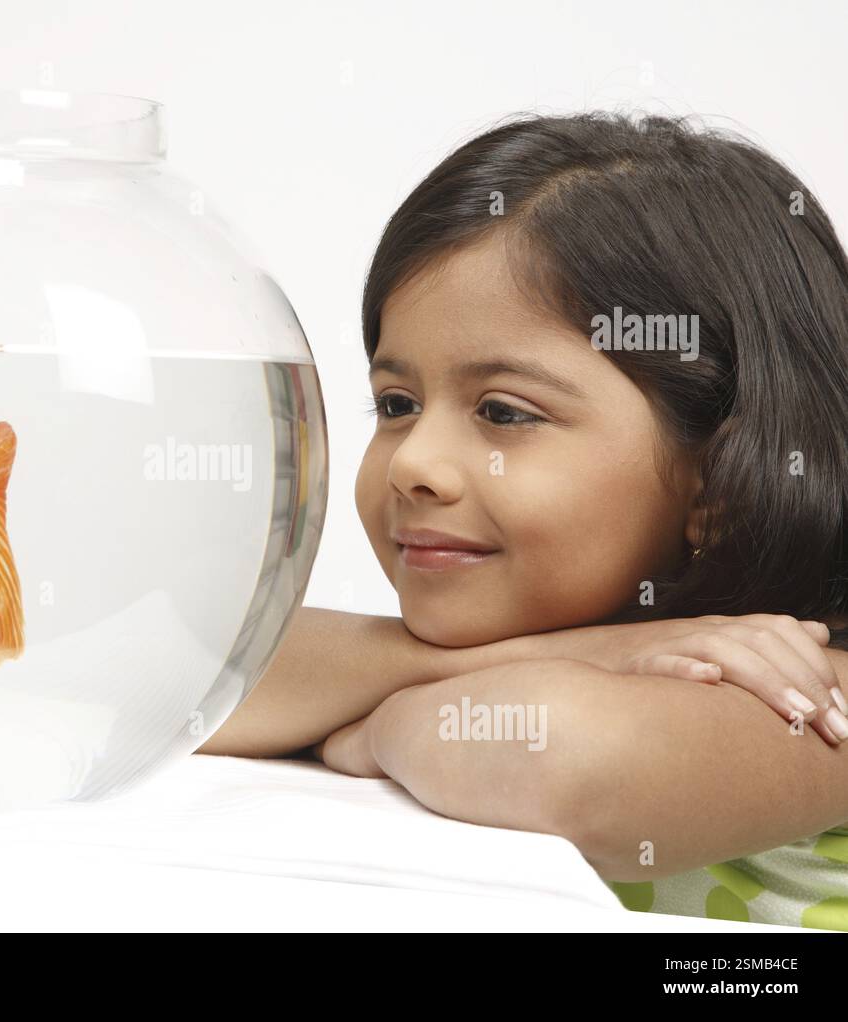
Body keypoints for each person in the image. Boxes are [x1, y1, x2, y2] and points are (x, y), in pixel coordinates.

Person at [200, 111, 848, 929]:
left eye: (505, 413)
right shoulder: (610, 647)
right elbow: (187, 673)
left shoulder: (804, 685)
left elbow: (554, 761)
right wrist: (603, 649)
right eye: (397, 403)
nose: (411, 464)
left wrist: (372, 729)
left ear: (719, 480)